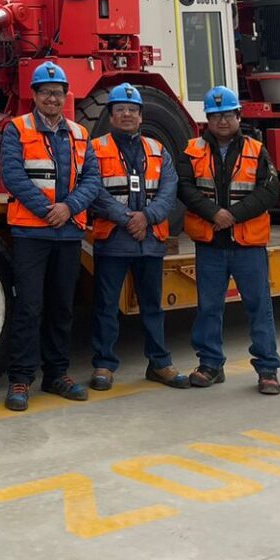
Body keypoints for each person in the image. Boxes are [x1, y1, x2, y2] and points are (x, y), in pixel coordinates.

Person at [0, 61, 97, 411]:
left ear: (66, 95)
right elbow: (13, 175)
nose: (52, 98)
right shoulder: (17, 129)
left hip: (67, 234)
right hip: (31, 233)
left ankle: (57, 374)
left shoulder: (80, 134)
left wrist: (68, 208)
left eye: (58, 93)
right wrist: (48, 210)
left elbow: (92, 179)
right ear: (35, 95)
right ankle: (21, 379)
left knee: (61, 307)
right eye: (45, 92)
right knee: (28, 307)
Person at [177, 86, 280, 394]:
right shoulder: (192, 150)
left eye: (227, 115)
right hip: (211, 244)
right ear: (207, 119)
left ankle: (267, 369)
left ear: (238, 116)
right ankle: (210, 365)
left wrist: (232, 215)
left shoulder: (257, 150)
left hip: (248, 245)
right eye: (215, 116)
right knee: (209, 307)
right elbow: (184, 187)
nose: (222, 121)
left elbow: (270, 191)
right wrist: (213, 213)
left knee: (259, 307)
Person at [85, 84, 189, 390]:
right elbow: (93, 190)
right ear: (111, 116)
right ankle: (104, 365)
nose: (127, 114)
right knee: (106, 306)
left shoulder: (157, 150)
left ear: (141, 116)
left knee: (152, 306)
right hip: (113, 239)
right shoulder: (95, 149)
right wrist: (126, 218)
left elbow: (169, 190)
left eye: (132, 109)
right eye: (120, 110)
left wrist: (147, 217)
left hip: (150, 240)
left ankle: (159, 363)